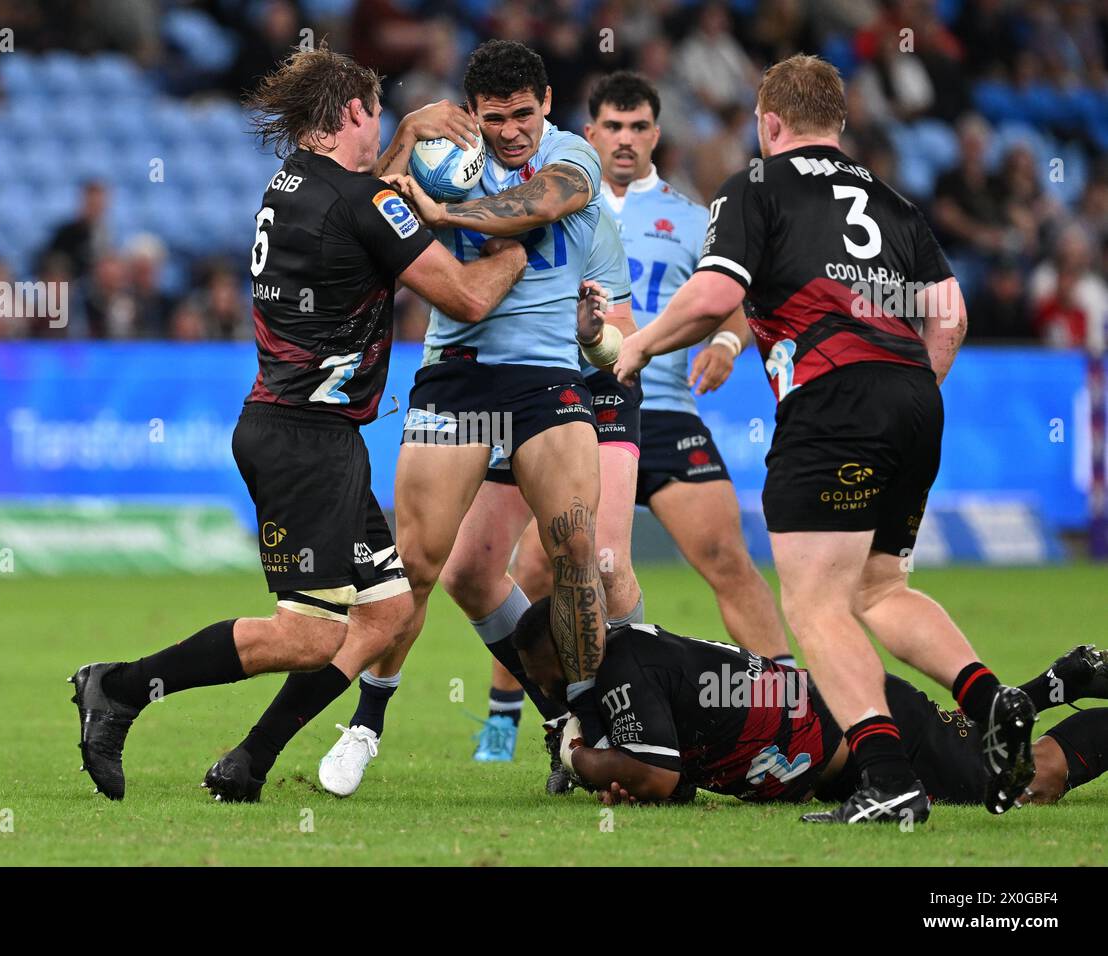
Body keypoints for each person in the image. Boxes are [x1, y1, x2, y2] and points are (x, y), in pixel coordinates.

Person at [69, 43, 528, 802]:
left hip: (305, 433)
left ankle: (248, 761)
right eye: (376, 113)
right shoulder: (361, 201)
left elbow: (362, 204)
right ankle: (117, 688)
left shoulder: (292, 185)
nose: (381, 127)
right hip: (305, 442)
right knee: (311, 633)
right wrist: (523, 242)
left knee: (381, 615)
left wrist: (408, 135)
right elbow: (468, 297)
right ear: (352, 112)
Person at [614, 54, 1036, 824]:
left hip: (833, 403)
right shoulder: (897, 201)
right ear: (838, 124)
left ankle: (889, 779)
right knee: (878, 589)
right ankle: (989, 697)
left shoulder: (756, 185)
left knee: (815, 606)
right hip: (914, 397)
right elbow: (952, 318)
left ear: (769, 122)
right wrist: (902, 398)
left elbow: (715, 294)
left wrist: (639, 345)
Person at [317, 40, 619, 797]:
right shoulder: (441, 153)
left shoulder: (572, 155)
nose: (512, 130)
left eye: (524, 114)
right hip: (456, 376)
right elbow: (365, 211)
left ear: (546, 102)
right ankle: (365, 727)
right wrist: (407, 134)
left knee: (577, 546)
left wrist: (443, 213)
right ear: (474, 114)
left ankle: (583, 724)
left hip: (548, 379)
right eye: (496, 119)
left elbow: (542, 203)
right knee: (419, 565)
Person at [471, 71, 794, 767]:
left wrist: (730, 342)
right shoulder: (560, 199)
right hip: (573, 402)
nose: (624, 139)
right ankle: (505, 720)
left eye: (638, 127)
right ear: (590, 133)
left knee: (726, 560)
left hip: (664, 408)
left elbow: (735, 296)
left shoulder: (692, 214)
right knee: (537, 567)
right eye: (612, 126)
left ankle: (791, 698)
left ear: (656, 134)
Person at [511, 597, 1108, 815]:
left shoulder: (622, 673)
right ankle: (1064, 679)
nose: (546, 692)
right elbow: (676, 779)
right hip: (853, 726)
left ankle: (1066, 686)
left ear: (566, 657)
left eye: (544, 679)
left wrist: (582, 758)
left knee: (1032, 779)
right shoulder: (623, 656)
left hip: (870, 733)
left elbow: (657, 775)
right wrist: (629, 778)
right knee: (978, 739)